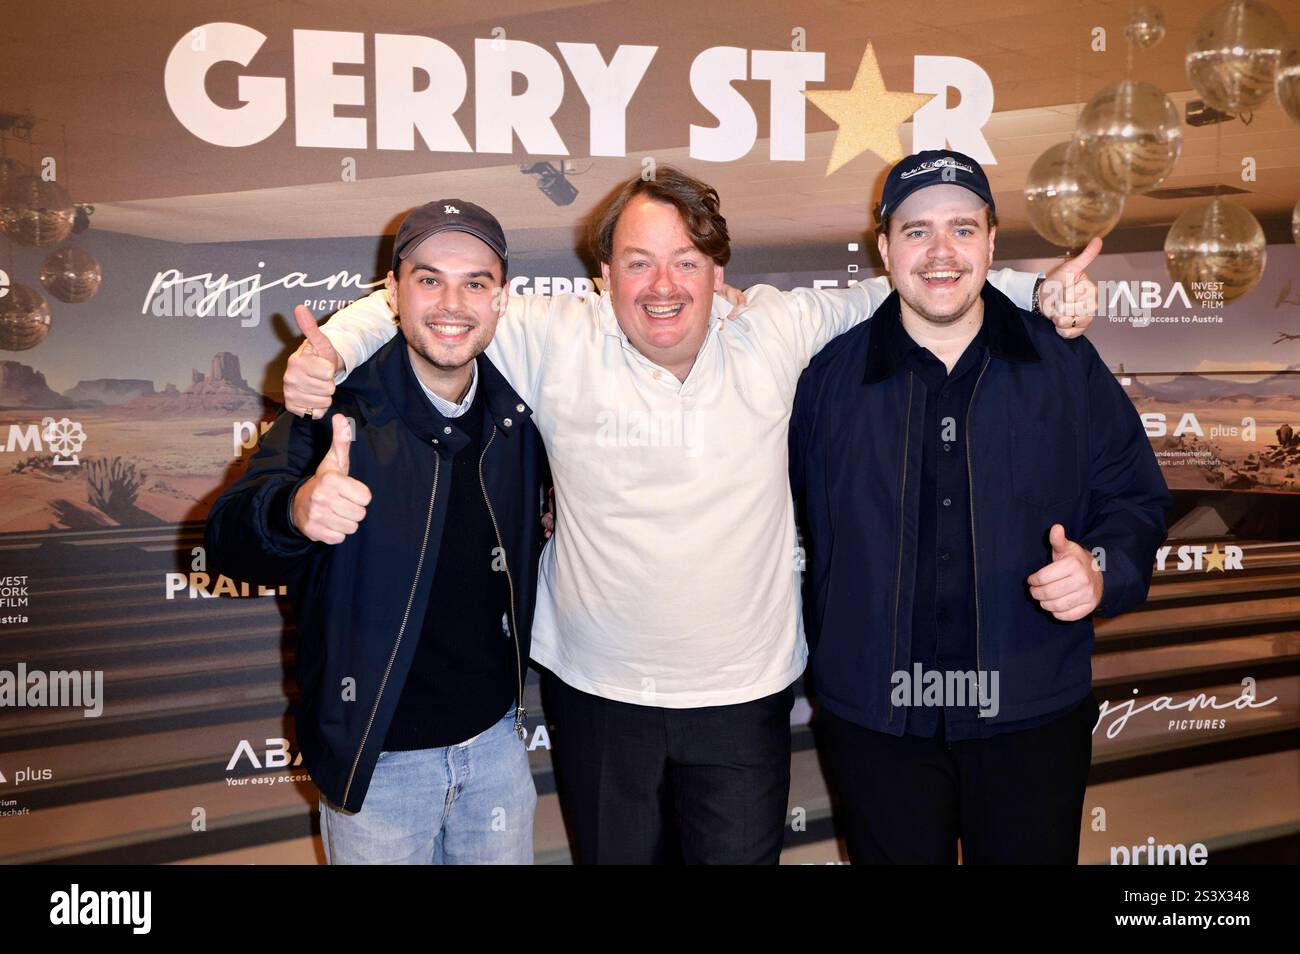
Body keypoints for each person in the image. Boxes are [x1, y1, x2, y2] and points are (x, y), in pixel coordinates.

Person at [280, 167, 1098, 864]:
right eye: (637, 262)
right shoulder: (555, 336)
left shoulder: (773, 328)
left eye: (686, 261)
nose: (662, 286)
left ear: (717, 272)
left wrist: (1038, 288)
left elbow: (917, 280)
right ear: (602, 277)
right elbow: (430, 300)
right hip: (597, 692)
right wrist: (330, 351)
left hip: (744, 696)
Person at [789, 150, 1171, 864]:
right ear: (884, 247)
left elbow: (1135, 497)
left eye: (963, 230)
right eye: (916, 231)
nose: (941, 252)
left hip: (1030, 718)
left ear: (993, 244)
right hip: (878, 728)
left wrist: (1099, 569)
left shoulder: (1065, 366)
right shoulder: (825, 382)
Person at [206, 201, 547, 864]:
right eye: (428, 279)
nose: (452, 302)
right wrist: (294, 513)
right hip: (379, 763)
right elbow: (228, 538)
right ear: (392, 294)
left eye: (475, 282)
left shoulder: (519, 412)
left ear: (501, 300)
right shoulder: (334, 406)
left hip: (498, 747)